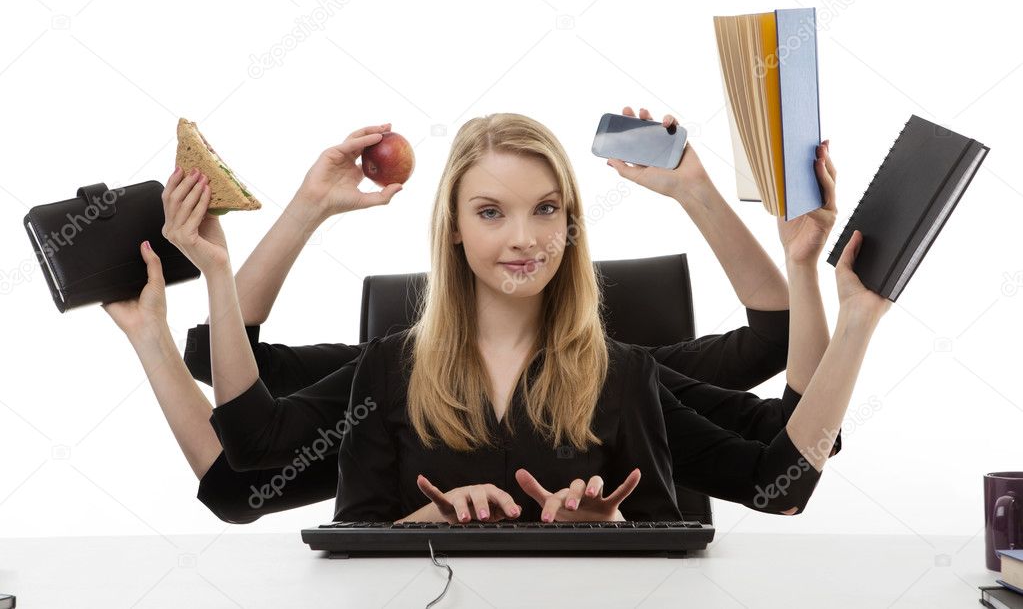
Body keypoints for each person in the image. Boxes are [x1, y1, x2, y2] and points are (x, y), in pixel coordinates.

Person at [105, 108, 884, 524]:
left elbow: (785, 465)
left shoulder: (628, 374)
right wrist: (299, 212)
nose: (522, 238)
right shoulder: (388, 371)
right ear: (452, 225)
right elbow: (235, 429)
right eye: (490, 213)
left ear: (571, 224)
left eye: (546, 210)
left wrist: (835, 303)